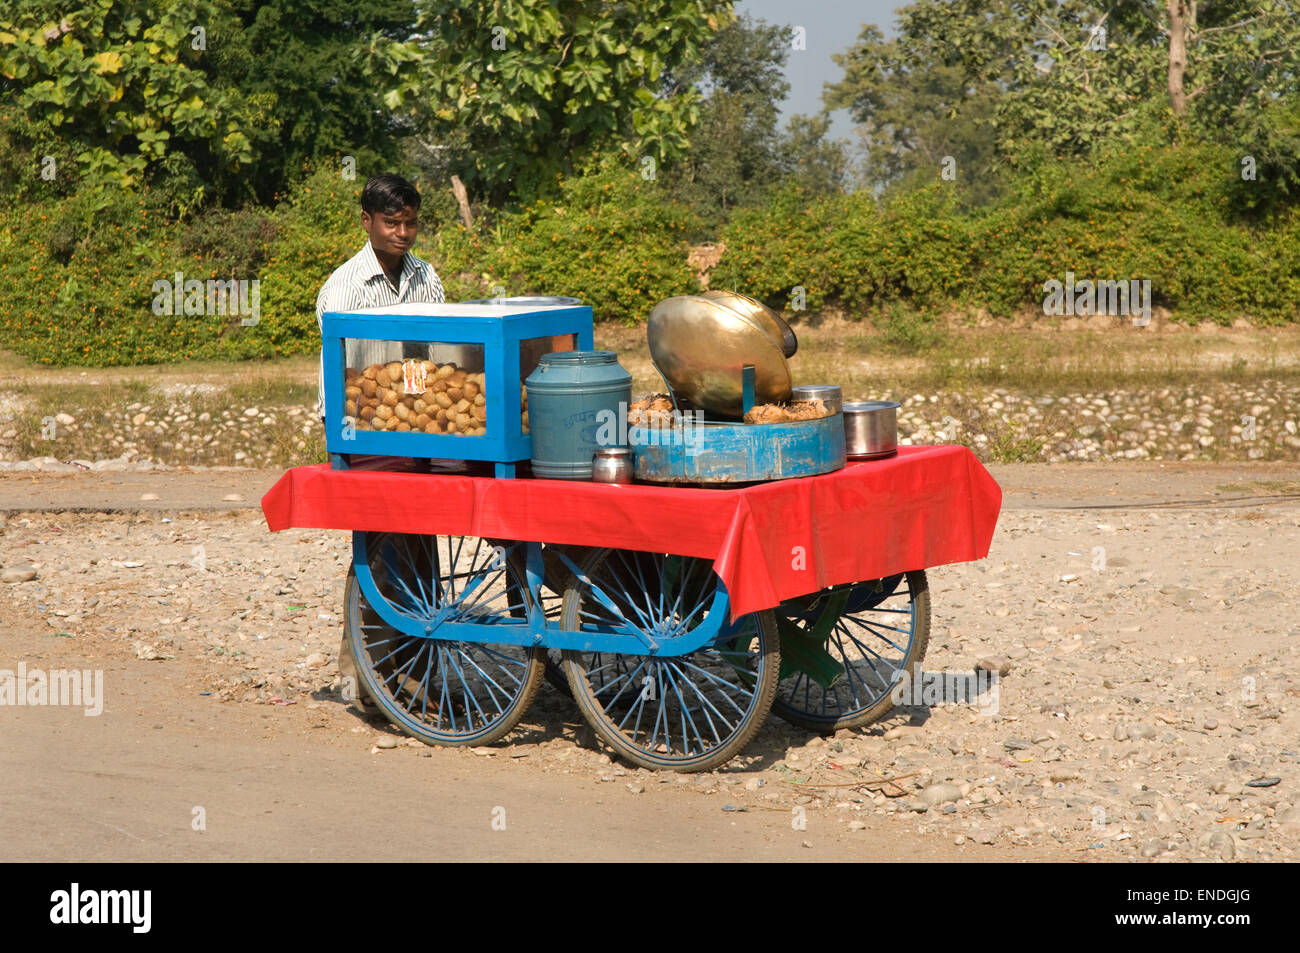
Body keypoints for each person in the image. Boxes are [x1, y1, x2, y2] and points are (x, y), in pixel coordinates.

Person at [315, 173, 445, 711]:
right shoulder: (342, 287)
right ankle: (365, 677)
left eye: (411, 222)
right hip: (362, 427)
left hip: (414, 425)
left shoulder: (426, 278)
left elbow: (433, 352)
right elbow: (346, 374)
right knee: (380, 548)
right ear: (366, 222)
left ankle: (416, 673)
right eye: (392, 222)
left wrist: (421, 404)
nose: (403, 232)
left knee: (421, 549)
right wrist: (390, 398)